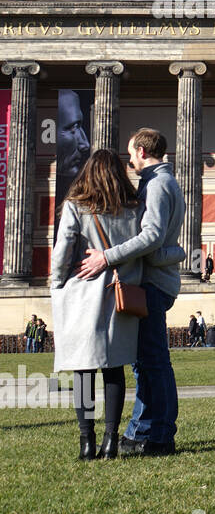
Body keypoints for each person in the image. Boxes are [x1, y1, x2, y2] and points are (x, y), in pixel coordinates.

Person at [76, 129, 186, 457]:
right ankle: (142, 431)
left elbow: (151, 237)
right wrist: (175, 252)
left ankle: (159, 435)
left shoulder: (156, 184)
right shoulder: (163, 182)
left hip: (150, 285)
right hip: (153, 283)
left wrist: (106, 257)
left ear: (140, 150)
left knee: (152, 363)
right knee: (147, 363)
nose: (129, 162)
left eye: (131, 155)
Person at [49, 150, 151, 460]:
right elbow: (140, 248)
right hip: (119, 297)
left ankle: (86, 442)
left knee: (82, 371)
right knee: (114, 370)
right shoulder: (134, 209)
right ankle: (110, 441)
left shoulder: (76, 207)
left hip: (82, 298)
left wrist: (57, 283)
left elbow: (63, 250)